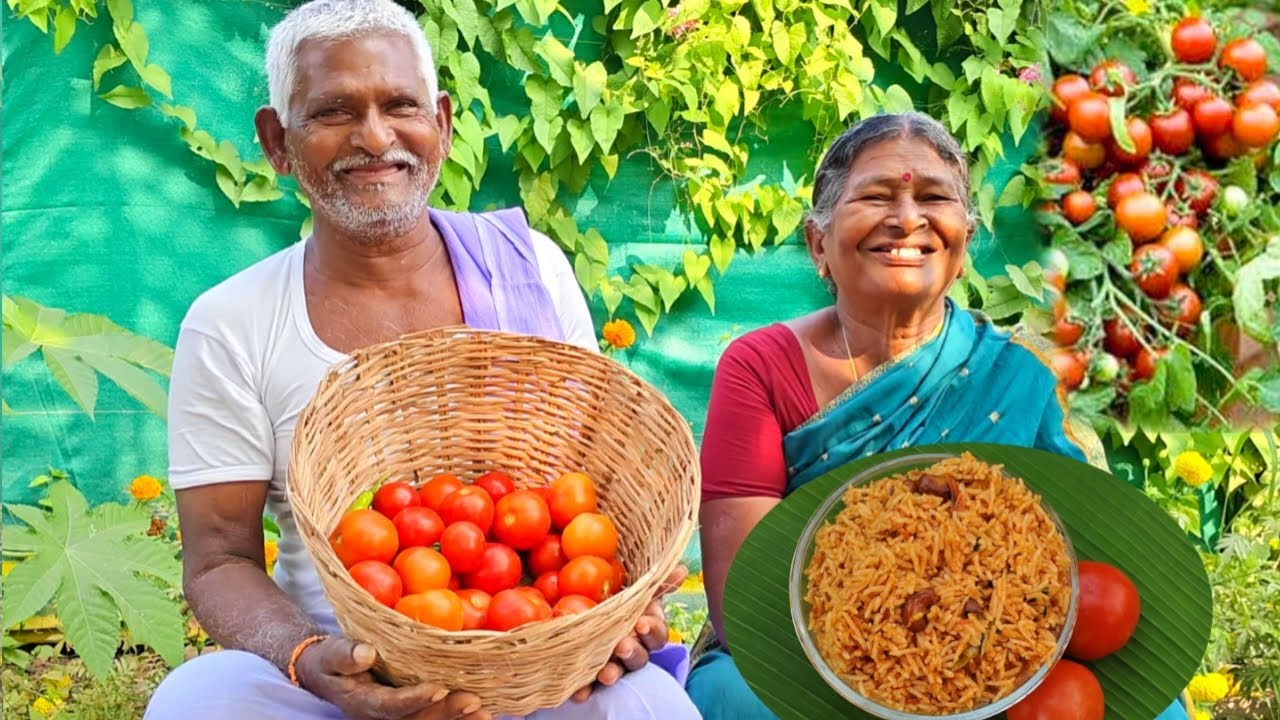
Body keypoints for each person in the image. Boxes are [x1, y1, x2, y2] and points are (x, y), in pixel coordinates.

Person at [143, 2, 700, 719]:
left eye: (399, 105)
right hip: (339, 677)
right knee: (195, 702)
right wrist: (311, 660)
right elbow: (218, 558)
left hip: (531, 663)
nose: (375, 138)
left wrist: (609, 621)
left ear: (439, 122)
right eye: (334, 112)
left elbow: (589, 500)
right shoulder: (232, 323)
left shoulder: (529, 270)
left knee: (653, 709)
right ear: (277, 141)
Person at [683, 112, 1187, 720]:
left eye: (932, 197)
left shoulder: (1017, 374)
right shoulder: (763, 366)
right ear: (819, 243)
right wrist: (885, 674)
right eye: (874, 196)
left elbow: (1071, 560)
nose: (907, 219)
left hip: (999, 671)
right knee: (732, 700)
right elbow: (747, 601)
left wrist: (975, 671)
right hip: (818, 667)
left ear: (964, 243)